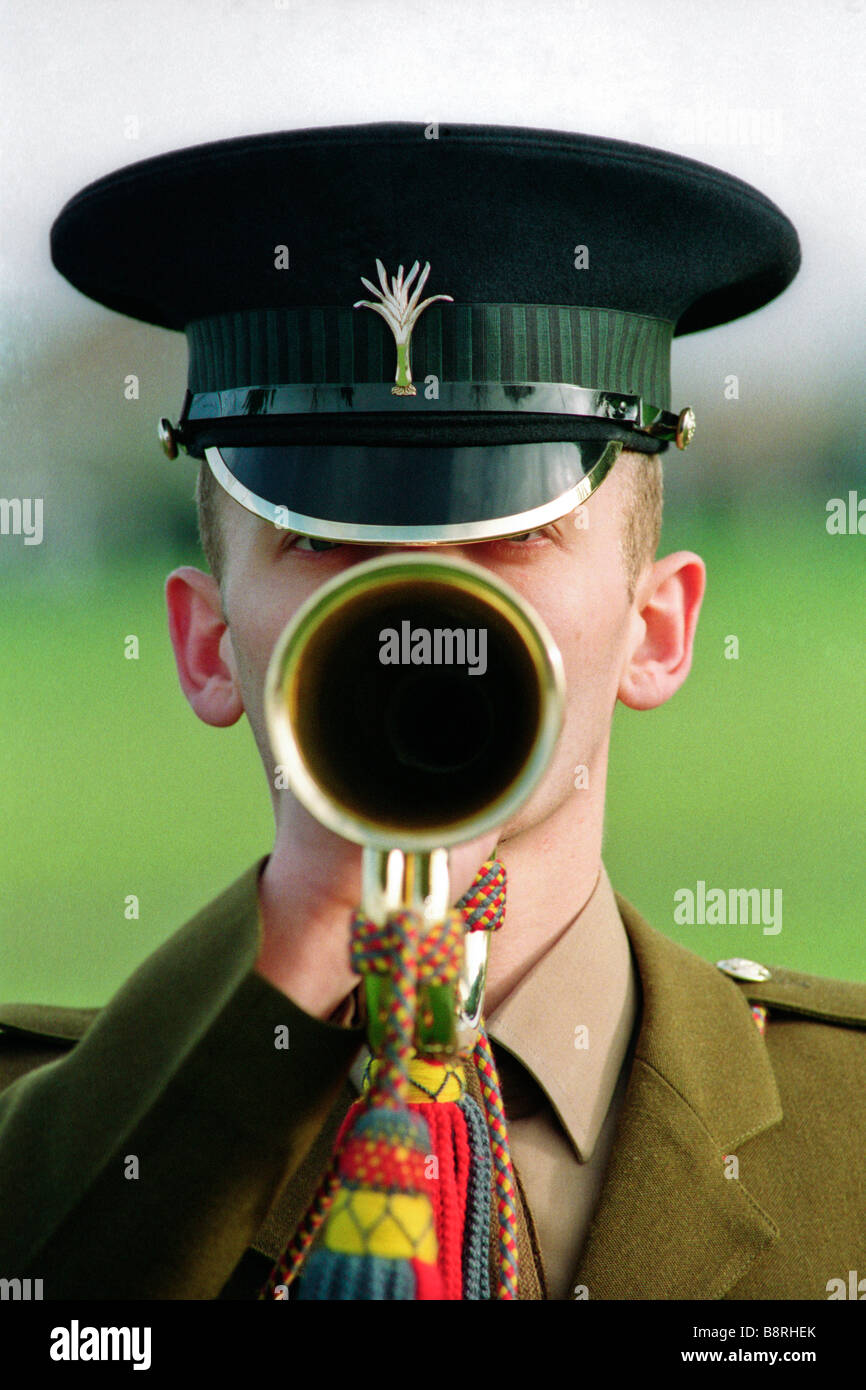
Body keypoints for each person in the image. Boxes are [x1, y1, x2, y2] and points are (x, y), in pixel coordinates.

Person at [1, 122, 864, 1302]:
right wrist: (306, 929)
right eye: (320, 538)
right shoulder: (51, 1148)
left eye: (509, 534)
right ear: (209, 646)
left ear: (654, 629)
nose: (418, 609)